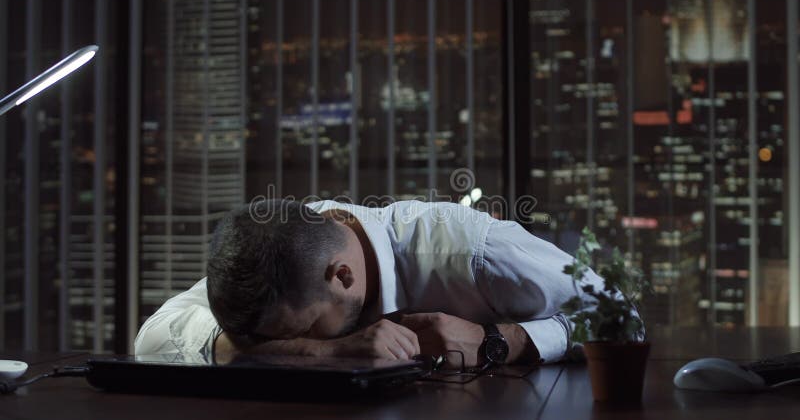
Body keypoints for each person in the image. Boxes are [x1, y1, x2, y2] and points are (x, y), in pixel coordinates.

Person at [135, 198, 631, 366]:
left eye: (301, 330)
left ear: (343, 276)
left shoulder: (474, 249)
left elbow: (622, 319)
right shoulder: (279, 256)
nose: (289, 345)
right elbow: (152, 339)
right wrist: (324, 350)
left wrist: (500, 342)